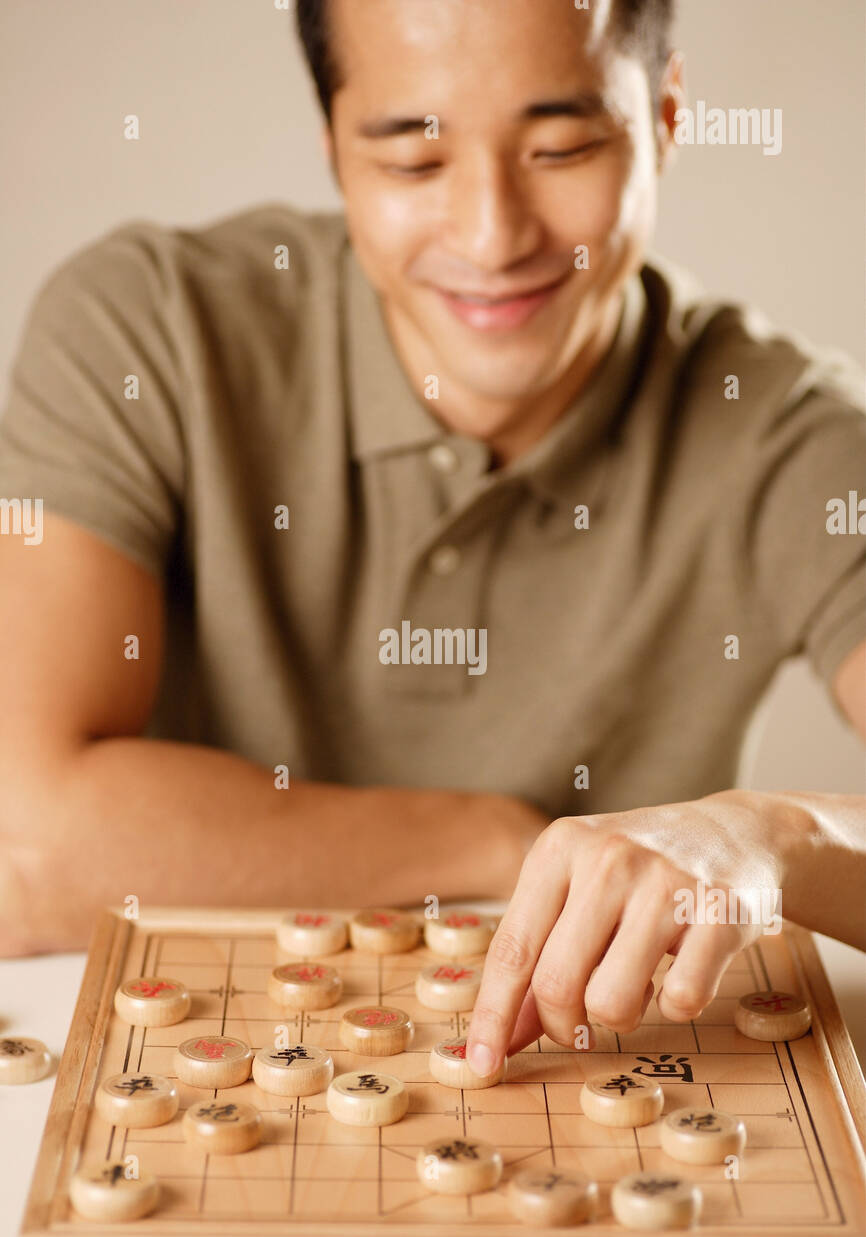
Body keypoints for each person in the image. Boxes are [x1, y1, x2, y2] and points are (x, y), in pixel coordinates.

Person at [0, 0, 863, 1080]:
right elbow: (23, 843)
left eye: (560, 147)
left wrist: (777, 836)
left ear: (667, 117)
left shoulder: (783, 428)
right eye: (412, 157)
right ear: (332, 148)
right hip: (188, 1091)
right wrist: (497, 838)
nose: (492, 235)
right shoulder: (147, 328)